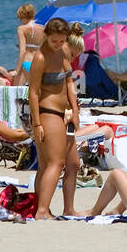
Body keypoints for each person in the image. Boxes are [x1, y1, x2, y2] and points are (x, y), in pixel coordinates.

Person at [29, 18, 83, 219]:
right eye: (55, 41)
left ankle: (68, 208)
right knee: (54, 163)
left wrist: (75, 111)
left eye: (62, 41)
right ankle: (42, 210)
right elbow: (33, 92)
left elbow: (69, 82)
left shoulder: (63, 52)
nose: (58, 45)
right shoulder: (40, 58)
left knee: (73, 163)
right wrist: (36, 124)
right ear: (47, 36)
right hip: (47, 112)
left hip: (65, 114)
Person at [15, 3, 45, 86]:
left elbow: (22, 50)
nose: (20, 21)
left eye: (20, 18)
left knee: (20, 87)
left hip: (27, 60)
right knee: (37, 87)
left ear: (23, 16)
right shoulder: (43, 29)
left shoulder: (21, 29)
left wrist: (16, 70)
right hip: (39, 60)